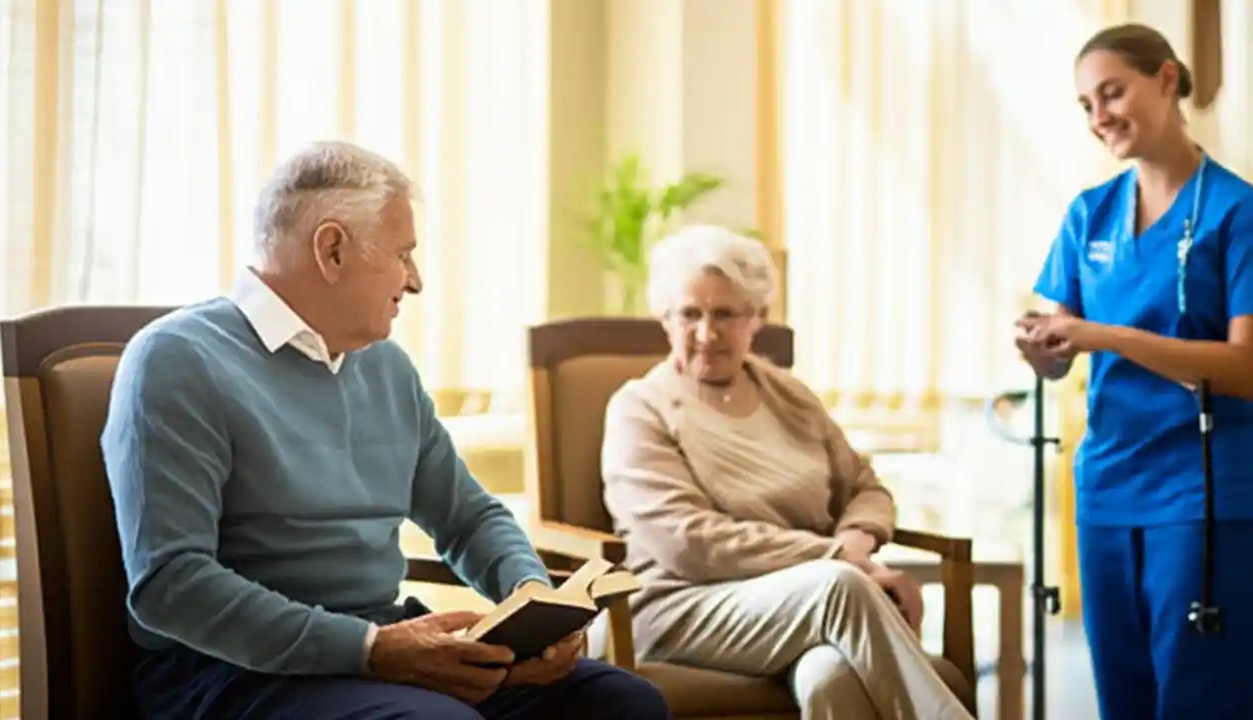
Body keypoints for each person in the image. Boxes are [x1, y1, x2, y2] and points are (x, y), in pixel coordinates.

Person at [101, 140, 671, 720]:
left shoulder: (385, 366)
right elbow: (172, 585)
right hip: (229, 673)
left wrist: (529, 601)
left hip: (378, 649)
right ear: (332, 250)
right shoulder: (177, 359)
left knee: (621, 703)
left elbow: (468, 516)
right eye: (403, 254)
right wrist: (372, 650)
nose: (416, 280)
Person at [599, 224, 973, 720]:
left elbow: (864, 487)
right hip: (681, 608)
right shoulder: (640, 408)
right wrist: (836, 557)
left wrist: (857, 538)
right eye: (689, 314)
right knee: (841, 587)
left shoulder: (788, 395)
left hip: (803, 609)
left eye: (725, 314)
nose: (706, 334)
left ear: (757, 319)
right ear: (665, 318)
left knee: (831, 677)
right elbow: (688, 543)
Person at [1017, 23, 1253, 720]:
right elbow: (1059, 357)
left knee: (1198, 694)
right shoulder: (1089, 215)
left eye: (1112, 92)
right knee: (1122, 696)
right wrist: (1041, 349)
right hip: (1108, 486)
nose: (1099, 117)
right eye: (1086, 105)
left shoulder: (1237, 213)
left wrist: (1102, 335)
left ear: (1169, 80)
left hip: (1204, 491)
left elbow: (1245, 368)